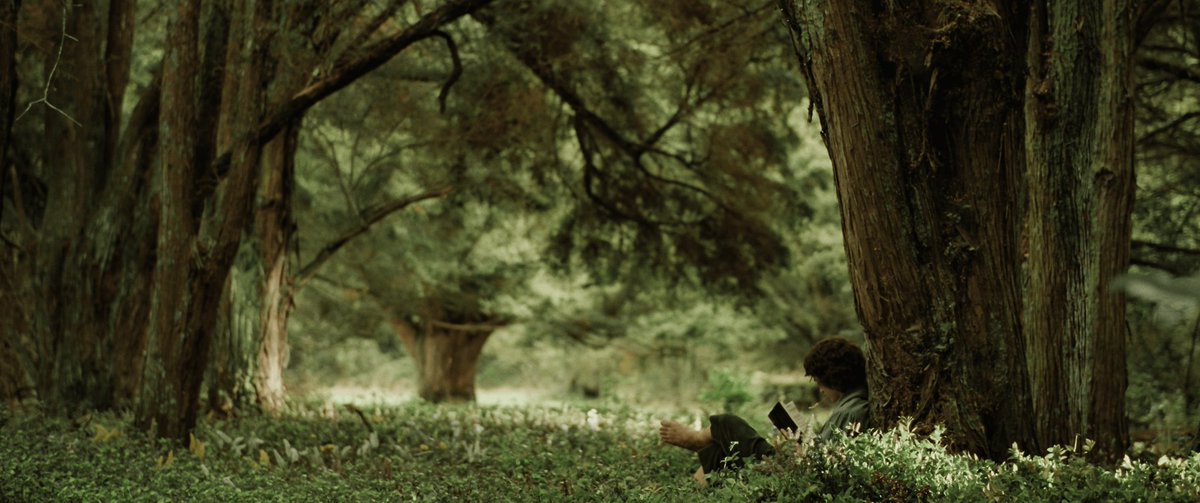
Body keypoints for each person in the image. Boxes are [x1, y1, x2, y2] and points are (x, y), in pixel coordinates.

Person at [659, 337, 870, 485]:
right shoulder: (851, 405)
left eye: (818, 381)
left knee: (728, 423)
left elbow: (826, 464)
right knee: (720, 453)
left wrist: (802, 447)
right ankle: (693, 489)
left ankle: (696, 439)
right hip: (796, 465)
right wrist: (801, 437)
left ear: (833, 377)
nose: (820, 389)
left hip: (794, 473)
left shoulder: (852, 411)